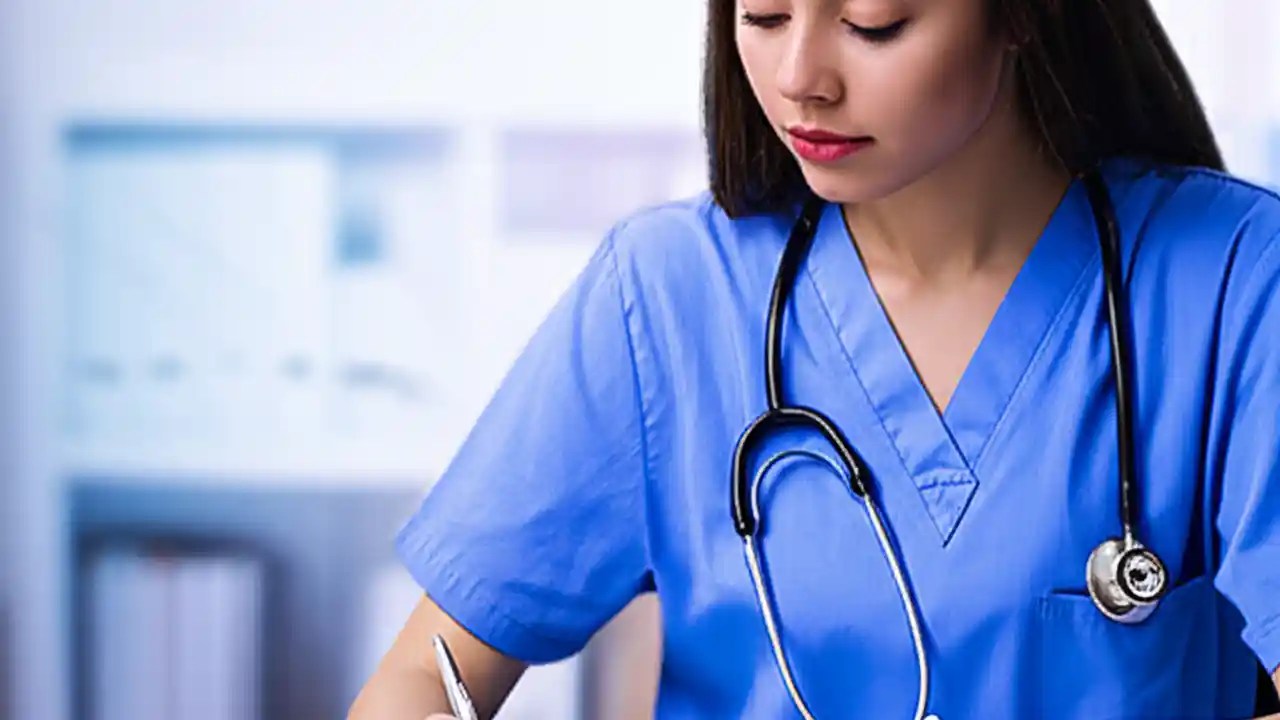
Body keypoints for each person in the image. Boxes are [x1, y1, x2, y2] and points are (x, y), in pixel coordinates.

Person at [348, 0, 1280, 717]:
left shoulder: (1235, 281)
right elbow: (418, 683)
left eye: (873, 24)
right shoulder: (669, 295)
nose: (801, 77)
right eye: (762, 16)